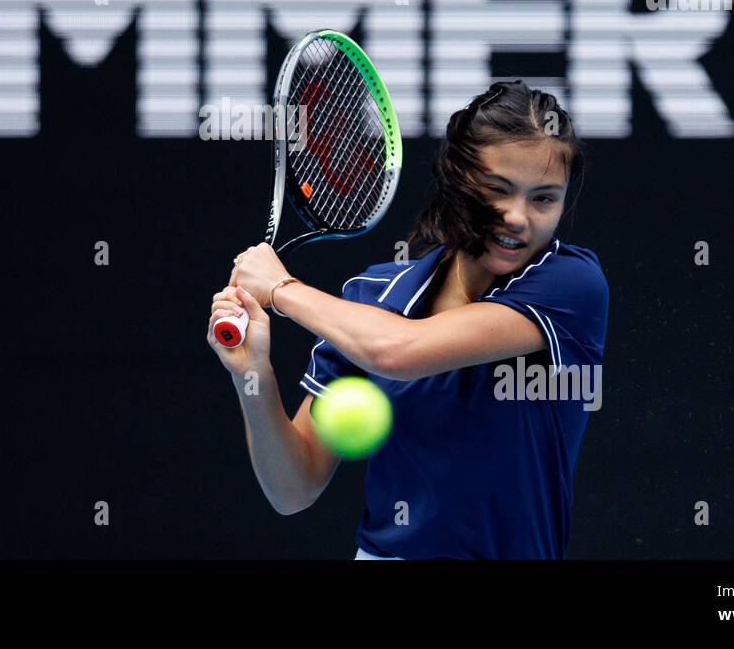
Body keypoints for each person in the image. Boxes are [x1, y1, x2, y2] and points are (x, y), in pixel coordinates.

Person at [207, 80, 608, 559]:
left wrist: (281, 289)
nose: (517, 217)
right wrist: (254, 375)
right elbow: (293, 489)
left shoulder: (570, 285)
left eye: (544, 198)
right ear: (460, 179)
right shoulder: (372, 299)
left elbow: (398, 353)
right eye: (497, 189)